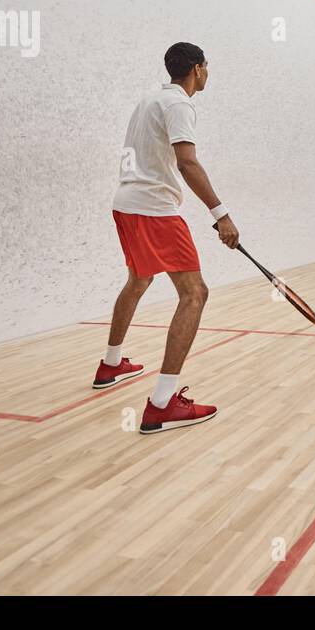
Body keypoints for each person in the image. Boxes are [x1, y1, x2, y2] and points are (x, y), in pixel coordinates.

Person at [93, 42, 240, 434]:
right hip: (154, 209)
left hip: (126, 204)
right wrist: (221, 215)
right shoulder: (179, 105)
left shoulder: (150, 100)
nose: (208, 73)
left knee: (139, 280)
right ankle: (162, 404)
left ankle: (111, 364)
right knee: (195, 294)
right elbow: (187, 162)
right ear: (196, 69)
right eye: (206, 66)